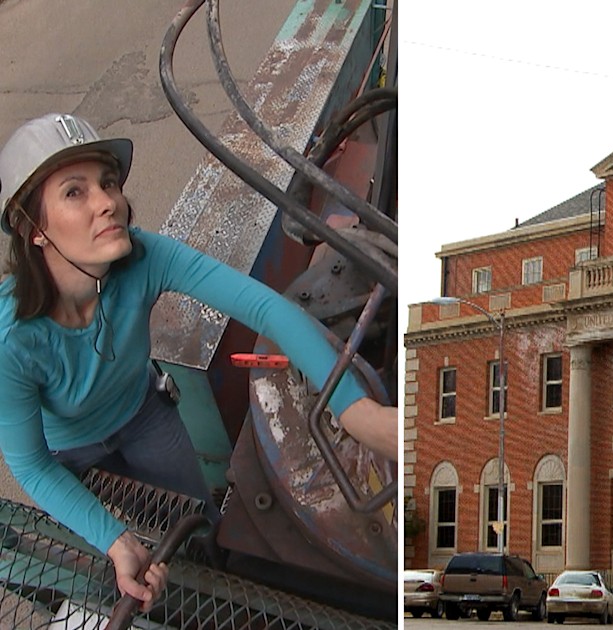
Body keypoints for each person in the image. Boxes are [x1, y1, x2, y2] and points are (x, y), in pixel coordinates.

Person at [0, 113, 398, 612]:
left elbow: (266, 308)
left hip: (142, 416)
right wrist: (115, 540)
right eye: (74, 192)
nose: (107, 202)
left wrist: (356, 411)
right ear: (33, 228)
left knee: (196, 521)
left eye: (108, 183)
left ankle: (216, 582)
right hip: (71, 452)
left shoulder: (144, 258)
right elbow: (31, 465)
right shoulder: (11, 339)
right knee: (112, 553)